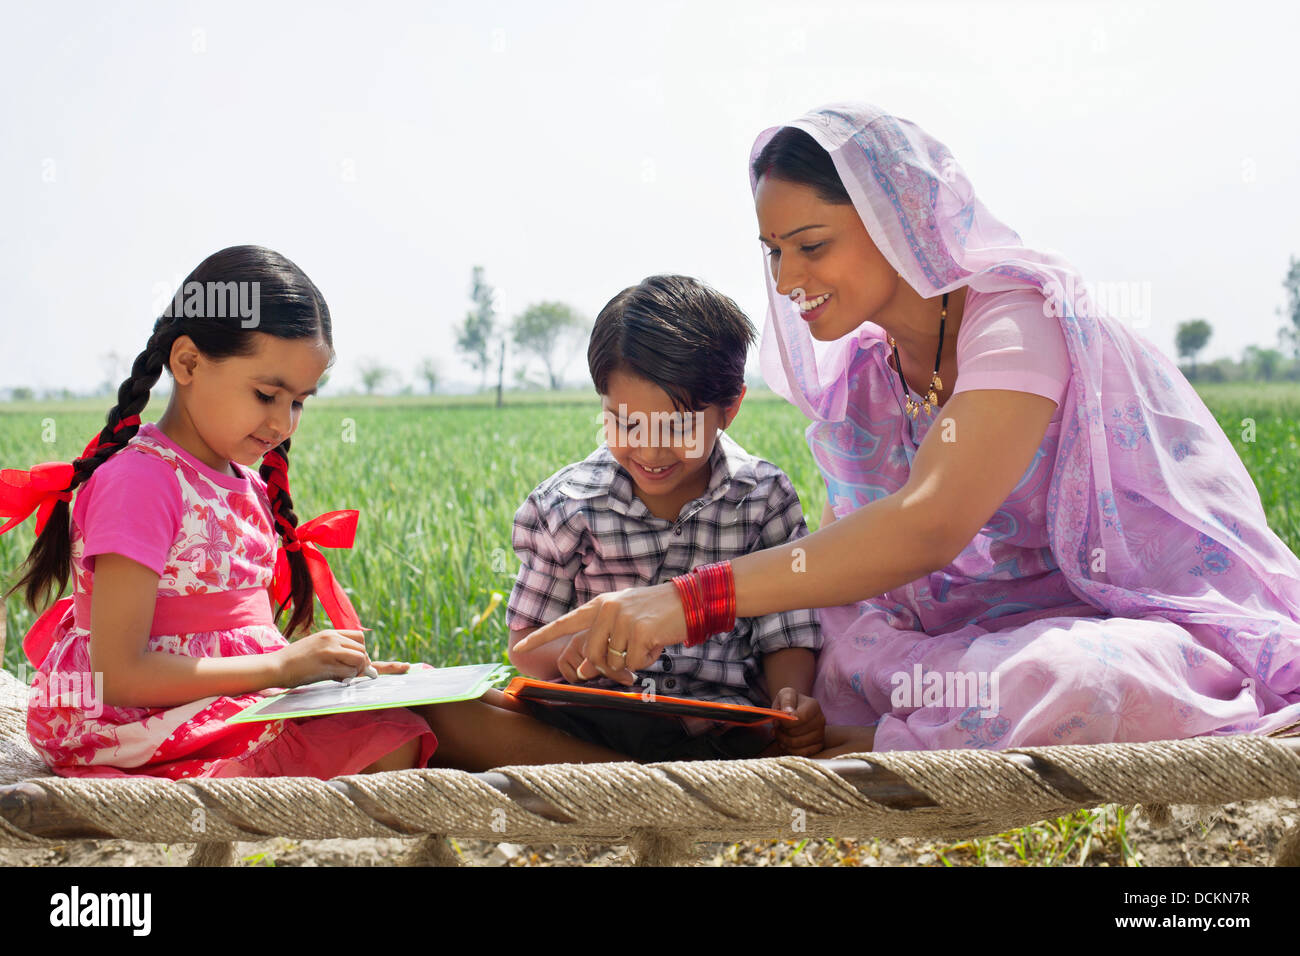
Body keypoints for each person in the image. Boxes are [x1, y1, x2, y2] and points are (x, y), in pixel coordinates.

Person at [515, 102, 1300, 754]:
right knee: (827, 660)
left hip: (1120, 615)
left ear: (898, 218)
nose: (786, 281)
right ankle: (890, 738)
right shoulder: (868, 372)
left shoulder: (1017, 322)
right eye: (773, 253)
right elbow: (844, 563)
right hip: (965, 634)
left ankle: (890, 746)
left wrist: (686, 602)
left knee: (1073, 680)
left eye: (810, 246)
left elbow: (927, 526)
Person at [5, 245, 624, 778]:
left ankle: (638, 777)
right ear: (187, 362)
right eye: (266, 394)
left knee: (433, 692)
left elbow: (231, 635)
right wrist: (282, 665)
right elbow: (119, 673)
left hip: (226, 700)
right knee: (394, 733)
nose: (281, 422)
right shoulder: (140, 482)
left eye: (299, 401)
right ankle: (629, 785)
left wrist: (317, 674)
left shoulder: (237, 479)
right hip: (136, 721)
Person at [506, 274, 826, 758]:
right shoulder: (564, 505)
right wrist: (587, 653)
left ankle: (633, 781)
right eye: (626, 422)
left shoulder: (762, 499)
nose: (650, 450)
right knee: (456, 711)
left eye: (678, 426)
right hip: (594, 720)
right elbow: (527, 646)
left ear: (730, 408)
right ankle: (632, 779)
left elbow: (788, 631)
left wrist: (791, 698)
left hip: (719, 727)